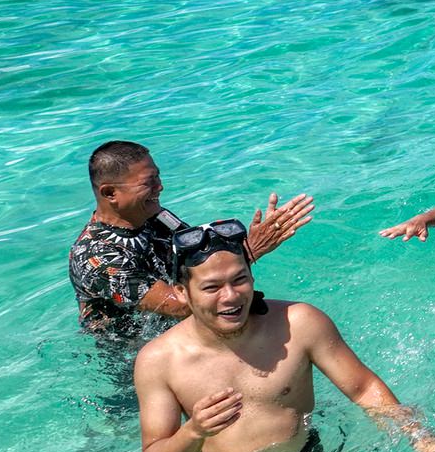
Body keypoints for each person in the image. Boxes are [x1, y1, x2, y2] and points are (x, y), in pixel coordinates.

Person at [133, 219, 435, 452]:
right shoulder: (159, 360)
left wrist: (419, 437)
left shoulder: (299, 324)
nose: (230, 297)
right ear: (181, 292)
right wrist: (194, 432)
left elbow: (363, 389)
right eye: (211, 287)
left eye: (240, 280)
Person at [69, 140, 312, 340]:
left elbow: (200, 262)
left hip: (189, 333)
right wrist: (249, 250)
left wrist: (236, 245)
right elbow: (179, 306)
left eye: (158, 177)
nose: (160, 187)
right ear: (110, 193)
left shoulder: (154, 215)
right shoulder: (97, 255)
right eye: (148, 182)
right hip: (134, 363)